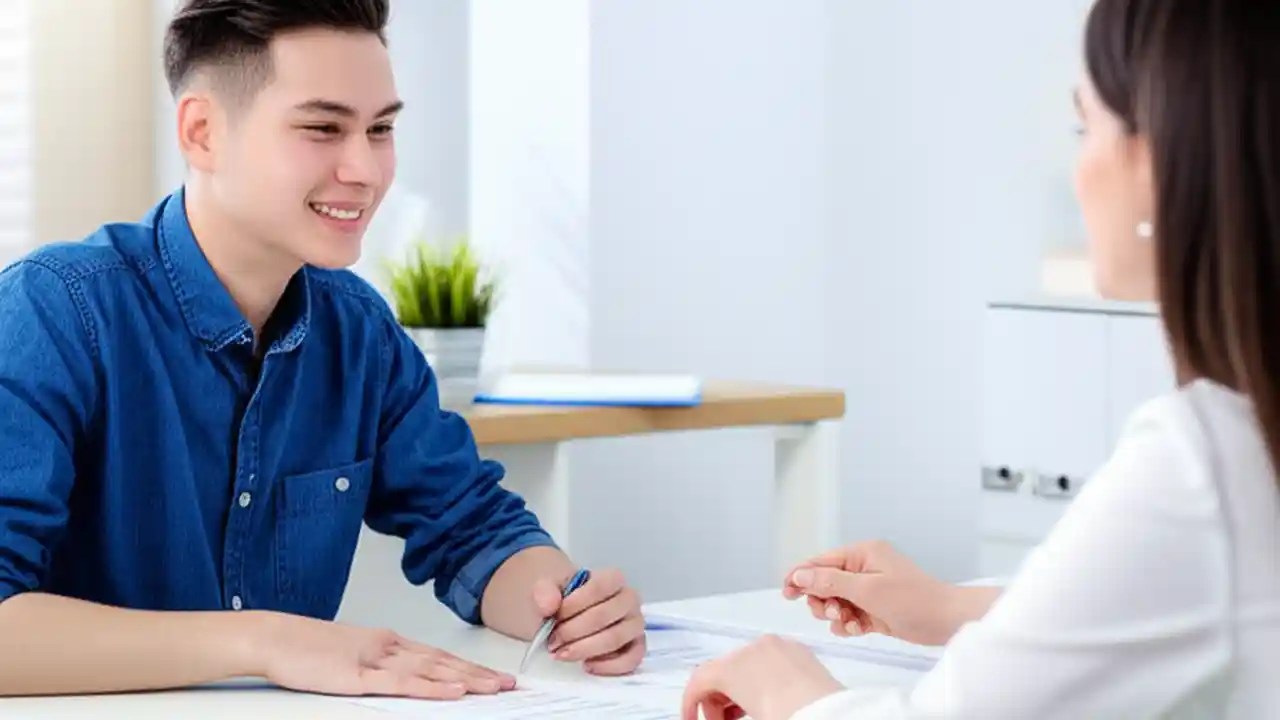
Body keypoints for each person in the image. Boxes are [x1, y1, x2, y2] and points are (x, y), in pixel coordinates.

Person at [0, 0, 645, 699]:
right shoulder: (53, 313)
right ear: (203, 132)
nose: (365, 169)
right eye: (322, 128)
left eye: (381, 128)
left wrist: (570, 608)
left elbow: (474, 530)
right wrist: (265, 643)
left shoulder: (359, 333)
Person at [683, 0, 1280, 717]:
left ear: (1158, 159)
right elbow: (1184, 607)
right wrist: (950, 608)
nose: (1077, 168)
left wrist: (790, 692)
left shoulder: (1206, 461)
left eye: (1083, 127)